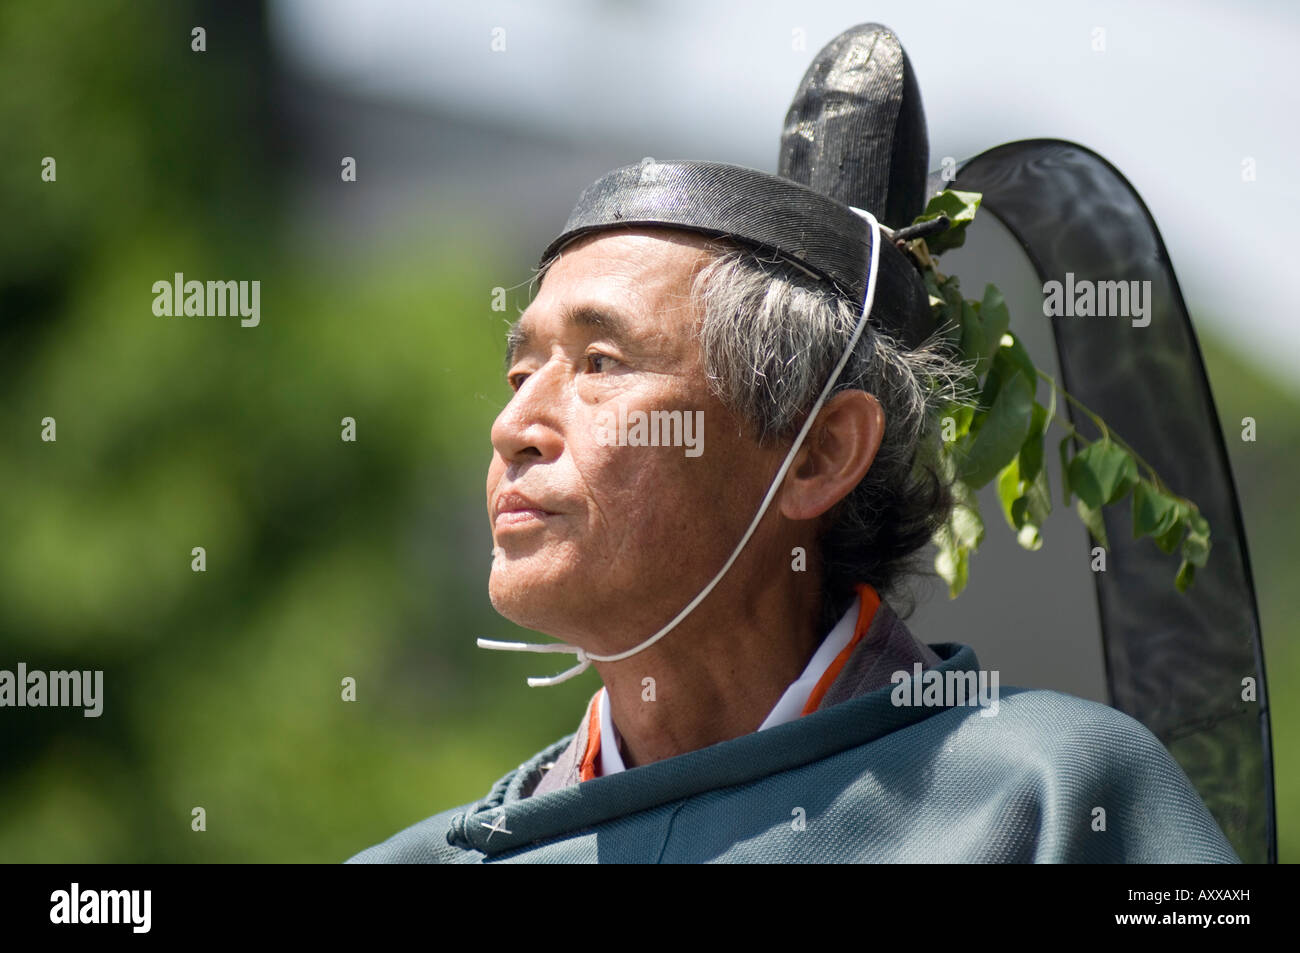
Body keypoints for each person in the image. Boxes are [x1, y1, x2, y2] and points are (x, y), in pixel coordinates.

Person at [347, 158, 1241, 861]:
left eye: (599, 365)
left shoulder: (1054, 797)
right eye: (518, 372)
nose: (513, 425)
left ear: (815, 453)